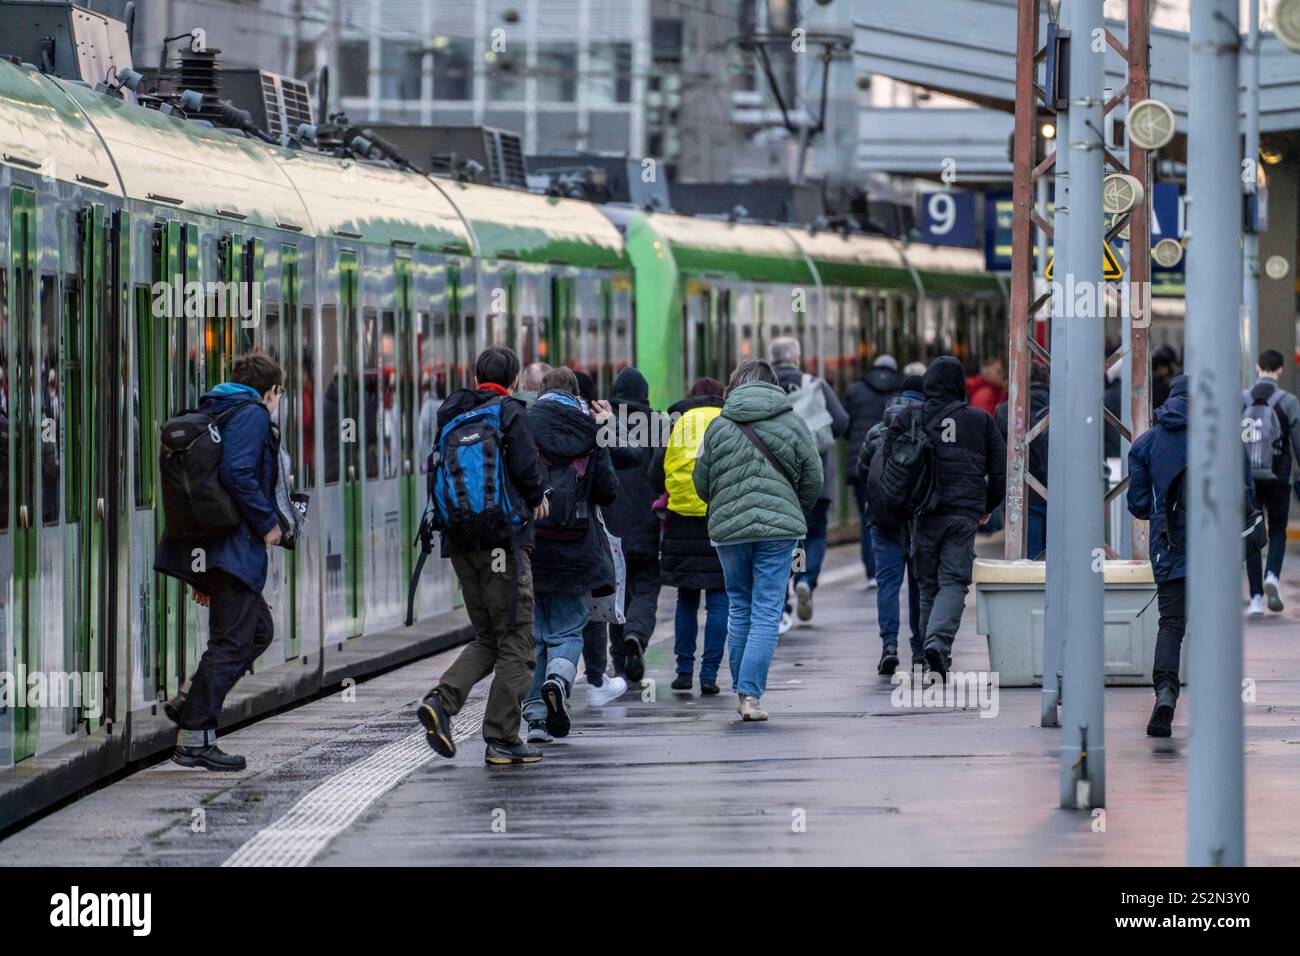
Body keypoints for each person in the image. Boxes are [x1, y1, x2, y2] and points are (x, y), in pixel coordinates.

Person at [415, 347, 550, 766]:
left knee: (488, 636)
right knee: (518, 640)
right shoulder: (509, 412)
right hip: (503, 544)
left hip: (460, 543)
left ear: (474, 376)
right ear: (512, 380)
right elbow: (527, 467)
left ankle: (442, 701)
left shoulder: (451, 414)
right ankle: (502, 737)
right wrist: (538, 496)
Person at [154, 350, 288, 771]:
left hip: (208, 547)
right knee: (233, 642)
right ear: (272, 391)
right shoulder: (251, 414)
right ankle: (195, 737)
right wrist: (269, 523)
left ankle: (193, 700)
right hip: (232, 548)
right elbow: (237, 473)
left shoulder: (214, 407)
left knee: (257, 631)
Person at [694, 359, 822, 721]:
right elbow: (813, 477)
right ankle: (750, 696)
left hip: (729, 532)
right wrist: (793, 511)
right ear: (774, 385)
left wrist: (725, 507)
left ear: (735, 384)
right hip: (780, 532)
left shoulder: (718, 427)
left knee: (739, 606)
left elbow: (701, 482)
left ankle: (741, 691)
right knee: (767, 609)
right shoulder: (793, 422)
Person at [1128, 375, 1253, 737]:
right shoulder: (1223, 440)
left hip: (1169, 551)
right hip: (1216, 552)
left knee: (1171, 625)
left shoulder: (1146, 444)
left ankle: (1165, 694)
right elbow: (1245, 492)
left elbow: (1137, 505)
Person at [886, 356, 1006, 678]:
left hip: (923, 513)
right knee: (953, 581)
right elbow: (1000, 471)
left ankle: (928, 658)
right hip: (963, 514)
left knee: (927, 586)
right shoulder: (981, 421)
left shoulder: (911, 418)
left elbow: (890, 463)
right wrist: (986, 505)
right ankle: (937, 645)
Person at [523, 367, 618, 743]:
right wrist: (605, 431)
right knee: (567, 629)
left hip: (531, 545)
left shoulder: (523, 424)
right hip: (576, 547)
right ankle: (559, 681)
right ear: (577, 394)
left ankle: (534, 720)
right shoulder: (592, 430)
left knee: (532, 636)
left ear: (541, 391)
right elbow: (608, 491)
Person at [580, 367, 661, 699]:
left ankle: (618, 662)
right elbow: (663, 474)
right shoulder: (658, 425)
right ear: (643, 393)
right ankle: (637, 638)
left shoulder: (599, 421)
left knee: (613, 595)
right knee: (645, 587)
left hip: (609, 525)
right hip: (646, 523)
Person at [649, 377, 728, 694]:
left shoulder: (675, 420)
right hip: (720, 518)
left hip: (681, 520)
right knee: (719, 599)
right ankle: (709, 675)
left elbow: (655, 471)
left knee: (686, 598)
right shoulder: (729, 419)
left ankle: (683, 672)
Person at [768, 337, 848, 624]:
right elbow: (840, 423)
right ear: (797, 357)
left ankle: (782, 601)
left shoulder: (764, 387)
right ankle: (806, 578)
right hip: (816, 481)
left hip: (778, 482)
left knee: (783, 541)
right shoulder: (815, 384)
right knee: (813, 535)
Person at [858, 374, 924, 674]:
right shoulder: (929, 427)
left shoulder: (877, 431)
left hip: (883, 521)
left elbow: (863, 471)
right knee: (920, 585)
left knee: (888, 585)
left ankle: (889, 645)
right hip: (920, 520)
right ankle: (920, 648)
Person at [1245, 349, 1300, 616]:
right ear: (1280, 370)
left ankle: (1255, 597)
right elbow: (1298, 443)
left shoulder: (1243, 399)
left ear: (1258, 368)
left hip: (1248, 479)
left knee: (1251, 535)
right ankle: (1272, 577)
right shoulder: (1288, 401)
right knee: (1277, 530)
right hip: (1279, 476)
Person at [843, 355, 903, 588]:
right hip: (895, 465)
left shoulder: (854, 391)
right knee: (894, 518)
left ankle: (871, 572)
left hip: (863, 464)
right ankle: (892, 567)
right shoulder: (900, 391)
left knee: (867, 519)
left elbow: (845, 427)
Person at [994, 362, 1050, 560]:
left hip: (1022, 495)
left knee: (1029, 561)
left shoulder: (1004, 410)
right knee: (1061, 560)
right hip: (1062, 495)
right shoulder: (1060, 404)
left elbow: (997, 457)